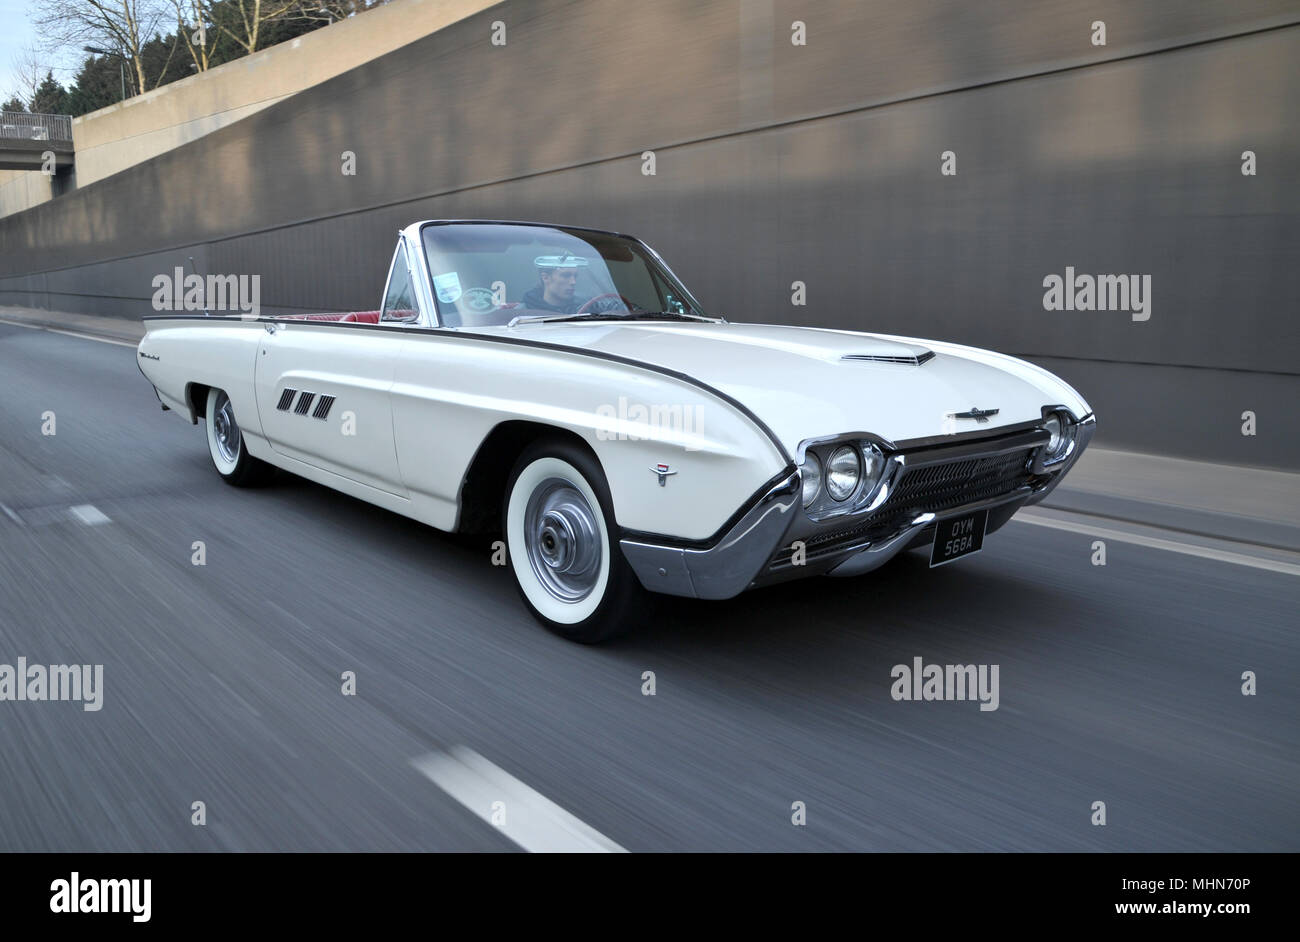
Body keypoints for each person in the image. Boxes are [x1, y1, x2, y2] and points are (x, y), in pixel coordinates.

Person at [520, 253, 590, 315]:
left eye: (575, 276)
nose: (573, 282)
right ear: (545, 278)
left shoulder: (587, 308)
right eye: (566, 275)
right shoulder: (522, 313)